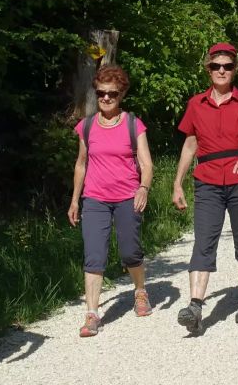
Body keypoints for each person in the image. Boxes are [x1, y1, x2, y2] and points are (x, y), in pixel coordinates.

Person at [172, 43, 238, 334]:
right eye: (216, 66)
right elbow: (190, 144)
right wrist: (177, 182)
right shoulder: (195, 104)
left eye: (227, 66)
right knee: (204, 241)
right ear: (208, 69)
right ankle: (195, 306)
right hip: (207, 180)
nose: (222, 71)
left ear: (235, 68)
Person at [68, 64, 154, 337]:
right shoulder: (87, 126)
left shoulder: (133, 124)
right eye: (102, 93)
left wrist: (144, 188)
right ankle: (92, 314)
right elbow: (81, 164)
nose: (106, 98)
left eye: (112, 94)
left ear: (122, 94)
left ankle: (140, 291)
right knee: (94, 255)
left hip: (127, 196)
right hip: (94, 198)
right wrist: (74, 200)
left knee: (130, 252)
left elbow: (147, 164)